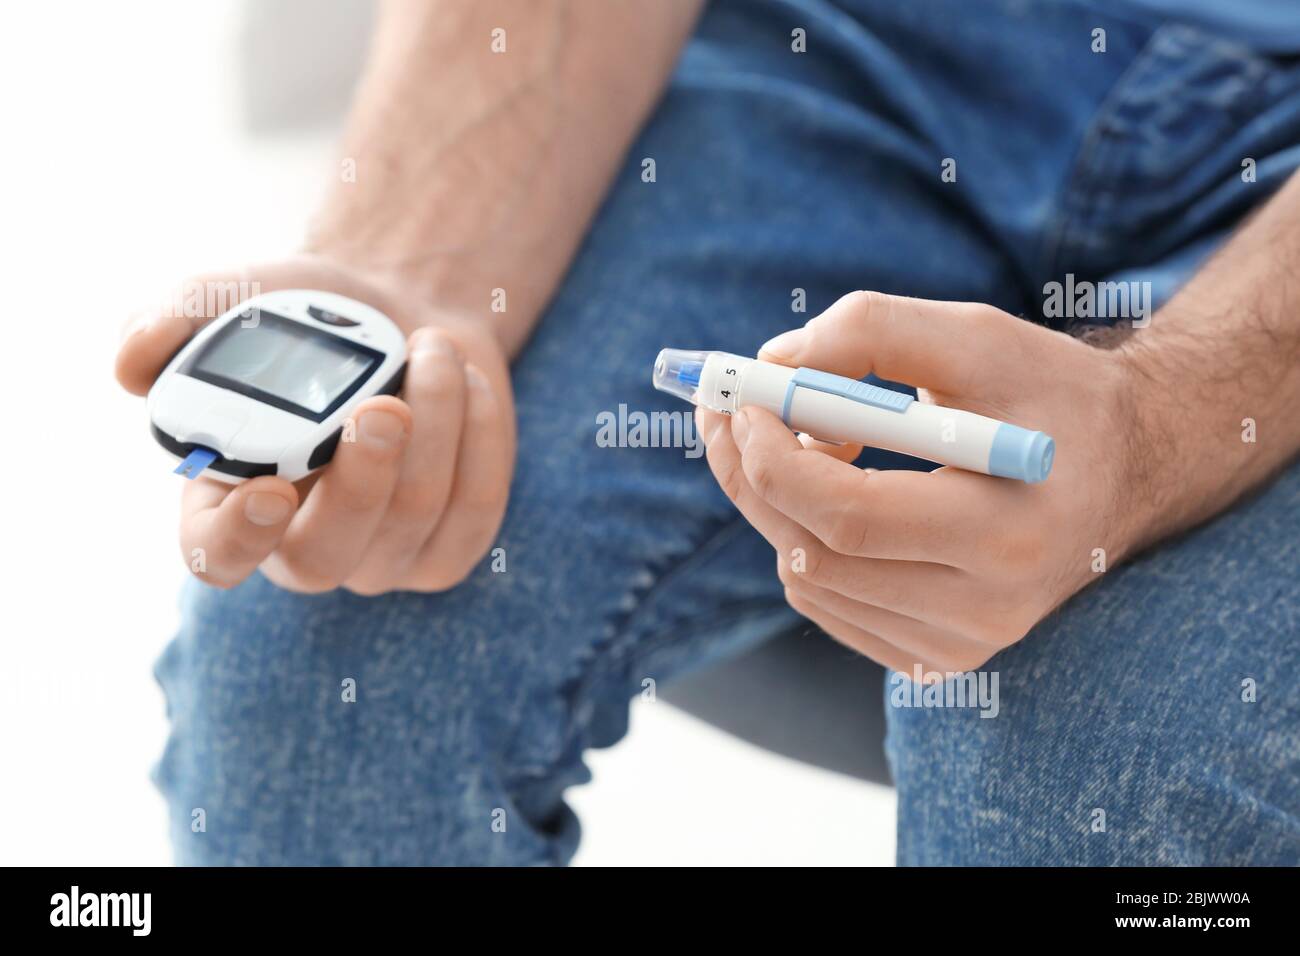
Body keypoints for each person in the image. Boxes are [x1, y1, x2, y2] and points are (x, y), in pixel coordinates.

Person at [115, 0, 1300, 865]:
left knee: (1091, 773)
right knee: (313, 663)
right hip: (842, 40)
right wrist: (417, 260)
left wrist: (1162, 426)